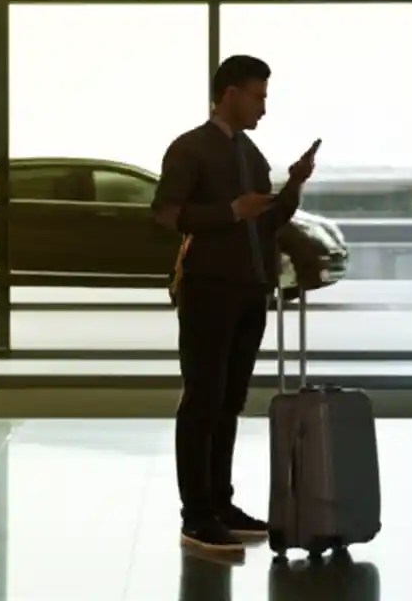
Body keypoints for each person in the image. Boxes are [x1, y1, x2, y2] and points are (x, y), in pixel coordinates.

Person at [151, 54, 319, 553]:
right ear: (230, 93)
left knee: (230, 401)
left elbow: (265, 221)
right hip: (208, 289)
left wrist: (294, 184)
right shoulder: (190, 149)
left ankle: (221, 503)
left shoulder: (252, 153)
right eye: (258, 96)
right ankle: (196, 515)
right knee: (202, 400)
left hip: (250, 289)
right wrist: (228, 211)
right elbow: (165, 214)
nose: (263, 107)